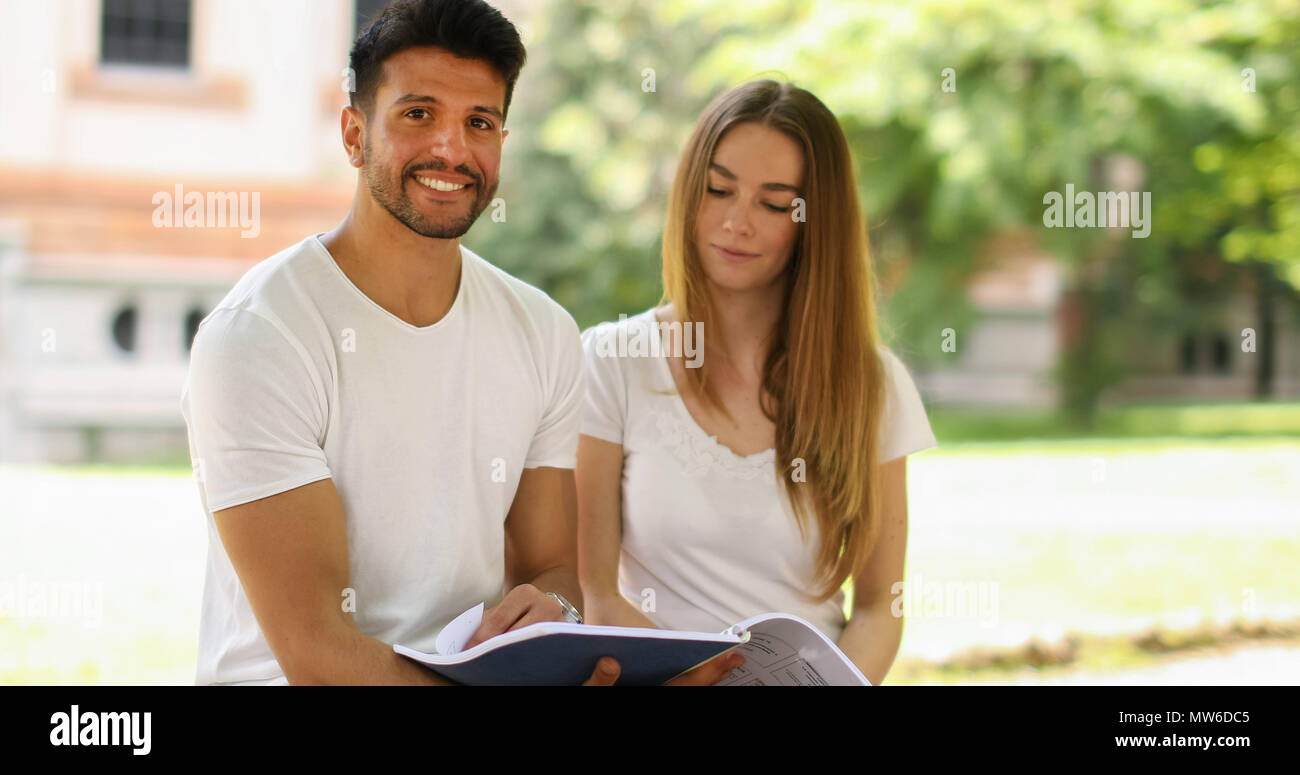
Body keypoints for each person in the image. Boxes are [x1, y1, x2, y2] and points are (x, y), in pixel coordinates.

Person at [180, 0, 738, 686]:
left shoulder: (542, 332)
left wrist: (554, 609)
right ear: (355, 135)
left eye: (479, 122)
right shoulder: (259, 337)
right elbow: (316, 652)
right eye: (418, 114)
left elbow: (551, 565)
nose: (451, 149)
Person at [576, 80, 938, 686]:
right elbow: (593, 592)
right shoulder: (612, 360)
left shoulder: (874, 386)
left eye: (774, 204)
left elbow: (880, 607)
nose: (735, 222)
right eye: (718, 191)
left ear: (813, 222)